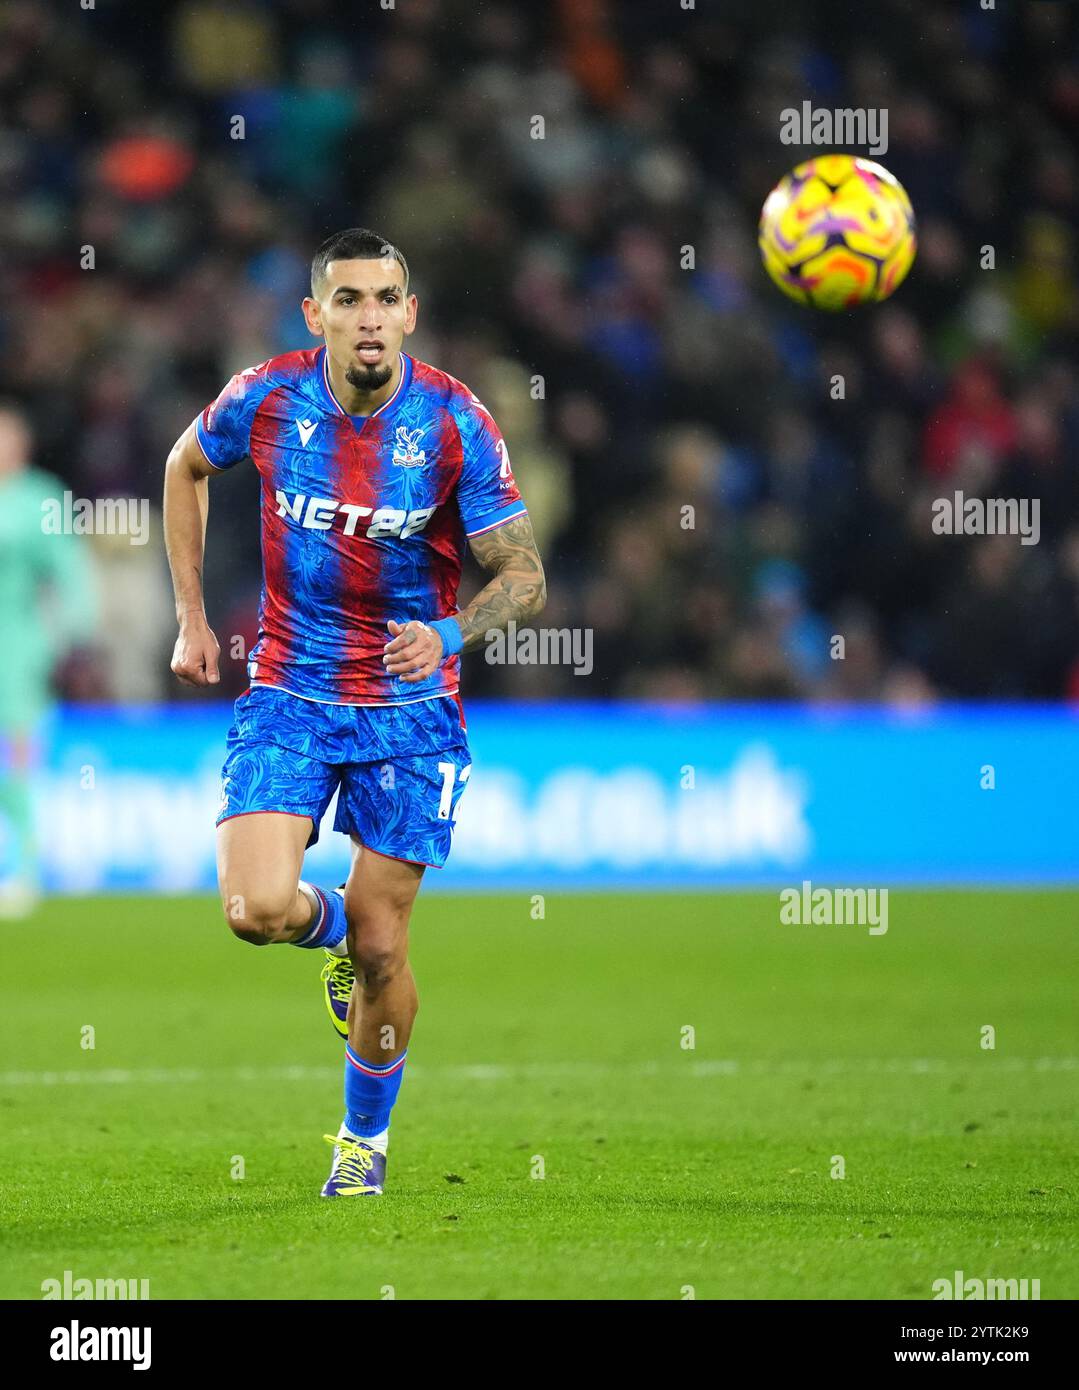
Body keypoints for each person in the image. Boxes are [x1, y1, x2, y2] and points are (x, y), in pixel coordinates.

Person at [163, 228, 546, 1196]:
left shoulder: (455, 422)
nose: (368, 318)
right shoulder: (268, 396)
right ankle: (323, 926)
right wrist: (192, 618)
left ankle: (361, 1143)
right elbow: (182, 468)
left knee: (386, 945)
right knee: (252, 911)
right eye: (348, 300)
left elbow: (523, 575)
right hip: (290, 690)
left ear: (409, 314)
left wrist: (452, 637)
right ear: (316, 315)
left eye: (385, 299)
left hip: (410, 709)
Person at [0, 403, 96, 917]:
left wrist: (70, 636)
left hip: (15, 645)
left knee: (17, 756)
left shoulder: (37, 499)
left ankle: (26, 866)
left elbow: (71, 570)